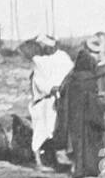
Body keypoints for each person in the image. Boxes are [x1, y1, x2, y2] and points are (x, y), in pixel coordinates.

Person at [58, 38, 105, 178]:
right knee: (96, 145)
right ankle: (96, 172)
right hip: (92, 118)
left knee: (80, 147)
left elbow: (62, 91)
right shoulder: (94, 75)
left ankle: (80, 171)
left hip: (75, 119)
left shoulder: (73, 76)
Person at [27, 34, 73, 167]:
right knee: (40, 130)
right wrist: (50, 89)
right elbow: (37, 81)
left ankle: (54, 159)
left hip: (60, 99)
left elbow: (70, 74)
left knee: (55, 129)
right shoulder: (38, 61)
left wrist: (63, 88)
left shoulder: (63, 57)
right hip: (44, 102)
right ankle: (38, 161)